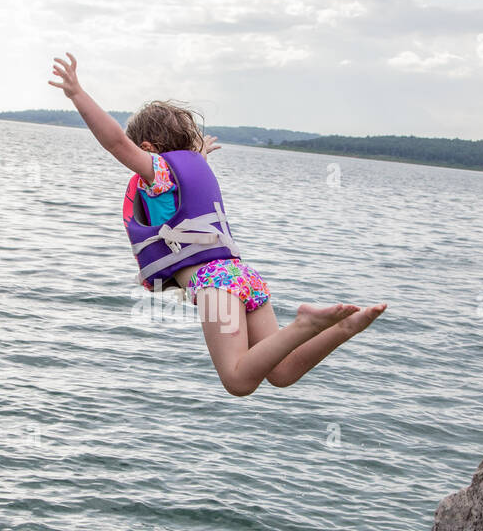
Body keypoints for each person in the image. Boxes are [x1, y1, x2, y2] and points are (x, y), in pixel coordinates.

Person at [49, 52, 386, 396]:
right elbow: (190, 168)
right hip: (244, 276)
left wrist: (78, 94)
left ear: (148, 149)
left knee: (238, 381)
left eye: (141, 153)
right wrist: (201, 152)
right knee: (281, 372)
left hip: (215, 283)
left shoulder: (158, 173)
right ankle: (343, 328)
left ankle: (306, 323)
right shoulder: (196, 166)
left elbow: (116, 142)